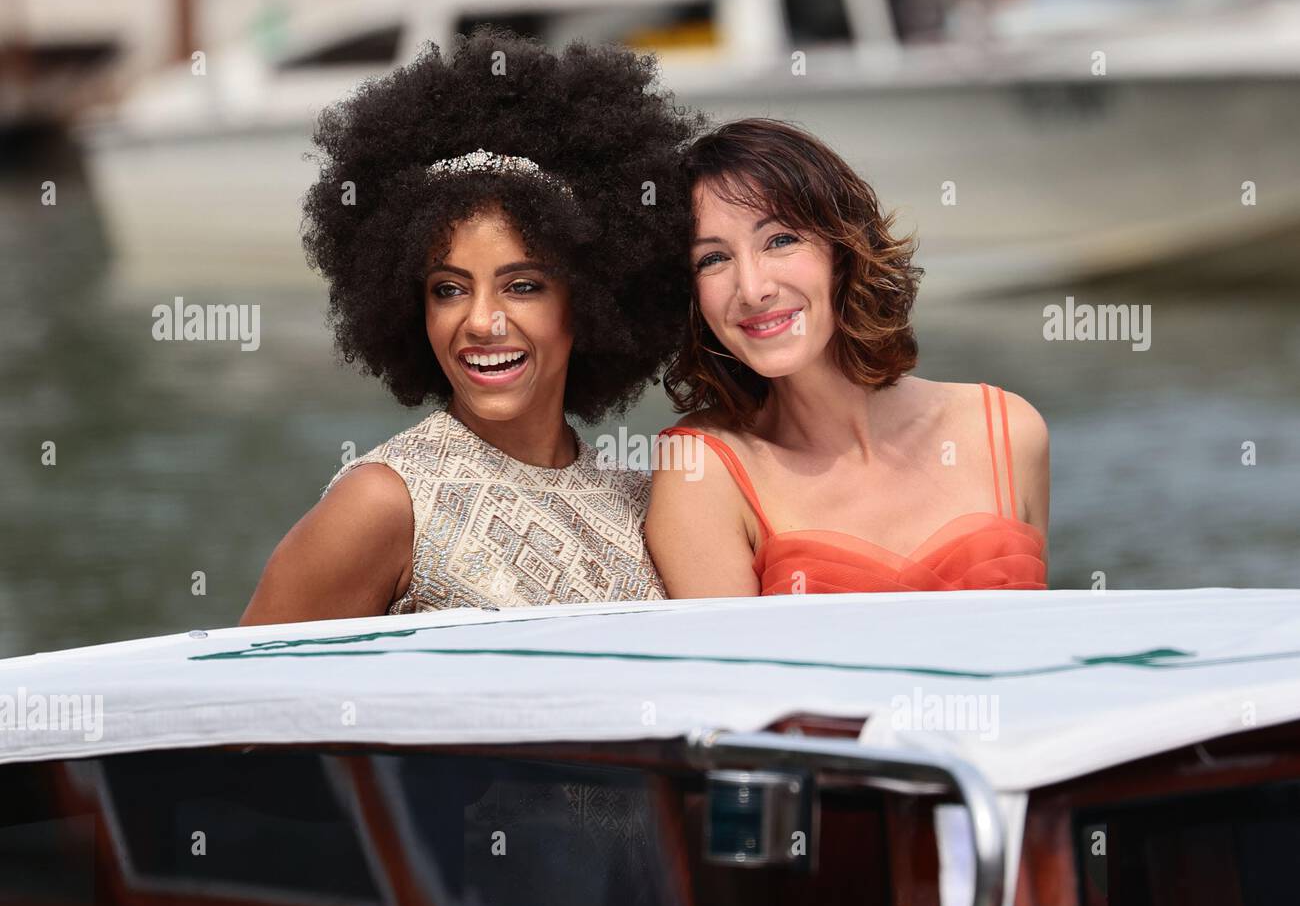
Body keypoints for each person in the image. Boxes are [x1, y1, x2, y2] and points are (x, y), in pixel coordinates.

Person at [241, 31, 700, 622]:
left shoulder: (643, 498)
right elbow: (237, 701)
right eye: (449, 289)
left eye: (523, 285)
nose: (481, 321)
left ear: (590, 300)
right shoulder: (384, 504)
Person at [647, 118, 1049, 597]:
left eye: (780, 240)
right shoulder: (702, 473)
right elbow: (727, 673)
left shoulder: (1006, 431)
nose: (753, 290)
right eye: (713, 259)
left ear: (842, 248)